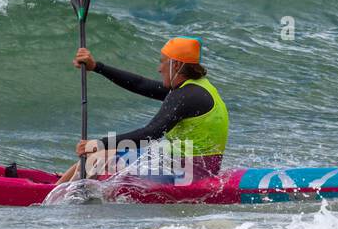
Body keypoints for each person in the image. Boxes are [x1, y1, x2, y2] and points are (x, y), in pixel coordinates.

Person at [57, 36, 229, 185]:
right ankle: (58, 185)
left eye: (162, 61)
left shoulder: (186, 95)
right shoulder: (195, 88)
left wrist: (99, 143)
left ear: (176, 65)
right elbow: (140, 84)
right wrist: (97, 67)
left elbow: (150, 134)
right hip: (189, 165)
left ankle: (59, 194)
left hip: (187, 173)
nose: (159, 68)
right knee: (101, 154)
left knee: (95, 158)